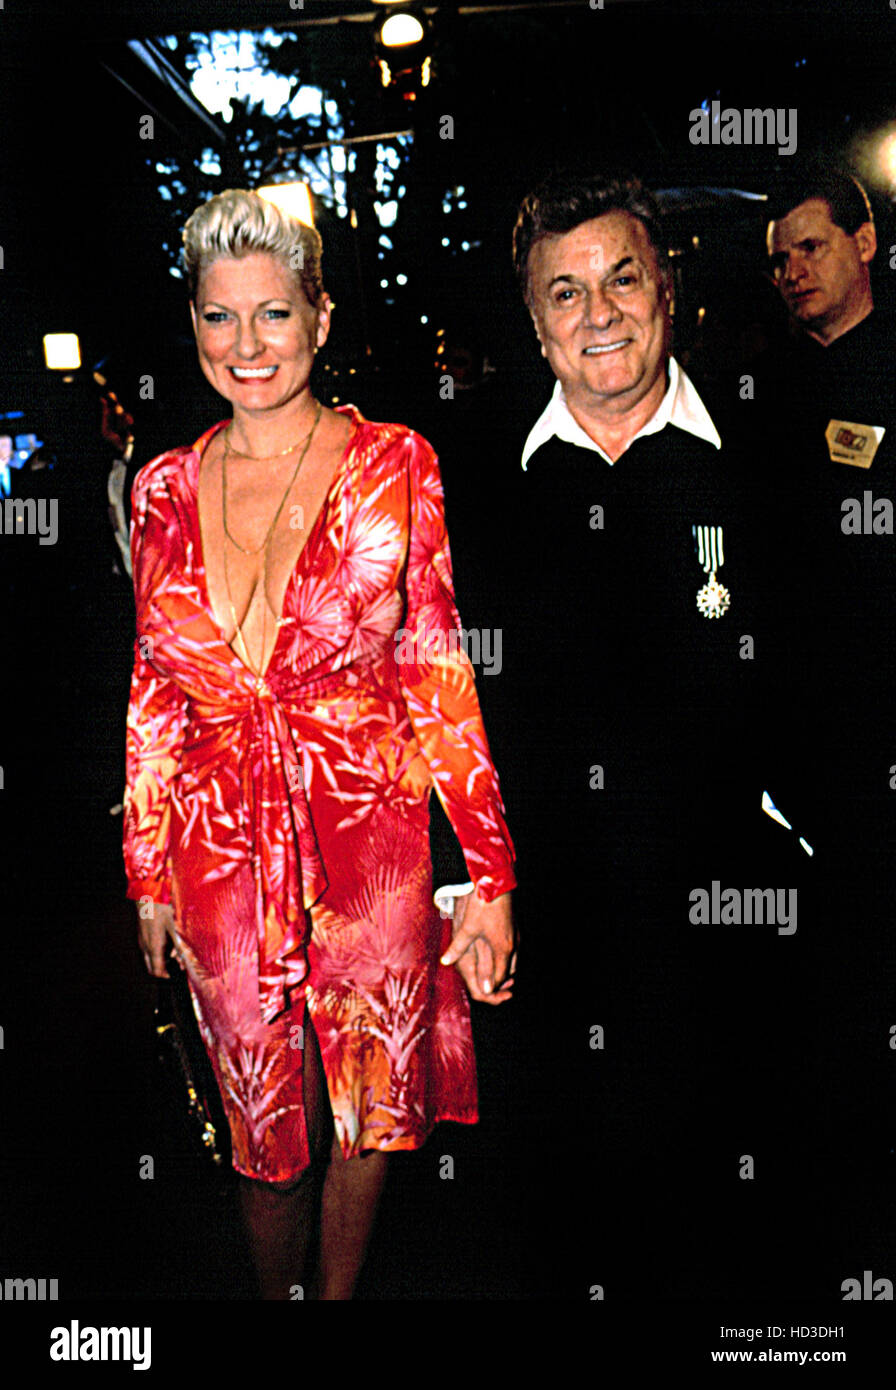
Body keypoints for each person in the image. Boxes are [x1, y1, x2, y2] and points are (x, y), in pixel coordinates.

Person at [123, 189, 517, 1300]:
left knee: (367, 1114)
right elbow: (154, 688)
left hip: (373, 846)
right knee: (262, 1127)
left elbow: (438, 668)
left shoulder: (397, 462)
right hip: (215, 856)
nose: (246, 345)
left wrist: (488, 873)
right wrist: (145, 872)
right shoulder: (158, 488)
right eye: (217, 316)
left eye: (273, 314)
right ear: (193, 324)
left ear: (321, 318)